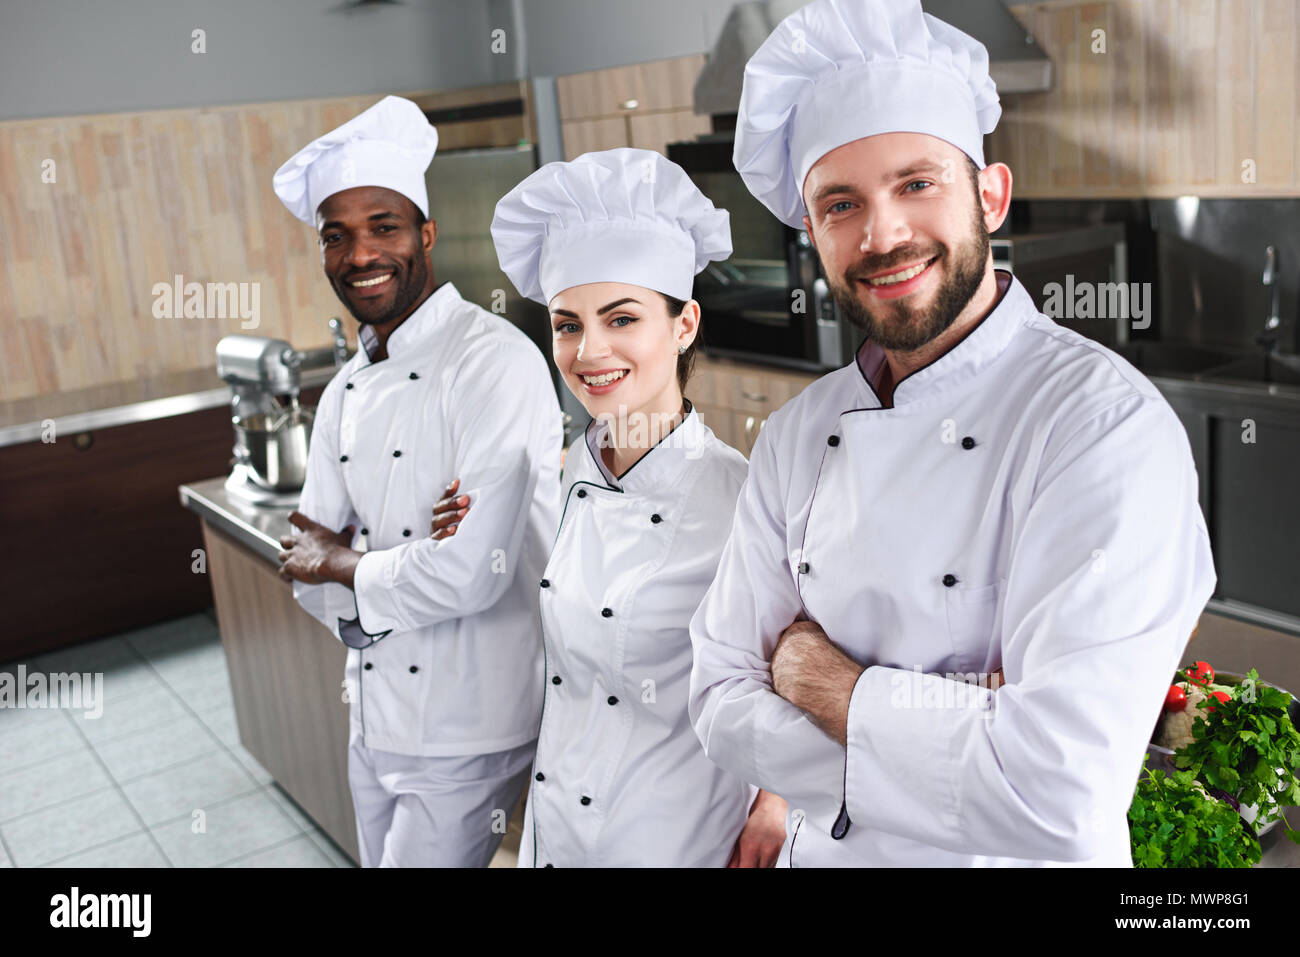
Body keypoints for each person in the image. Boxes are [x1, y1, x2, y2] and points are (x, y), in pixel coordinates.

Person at [688, 0, 1216, 866]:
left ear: (992, 195)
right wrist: (964, 719)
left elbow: (1059, 789)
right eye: (840, 204)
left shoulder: (1100, 425)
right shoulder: (795, 436)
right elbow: (717, 701)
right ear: (813, 235)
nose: (882, 233)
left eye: (917, 183)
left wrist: (821, 680)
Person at [431, 148, 787, 866]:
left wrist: (777, 804)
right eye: (567, 324)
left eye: (621, 318)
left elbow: (787, 676)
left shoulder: (741, 498)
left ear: (683, 325)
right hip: (555, 824)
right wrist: (474, 518)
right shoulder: (570, 471)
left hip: (673, 835)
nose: (589, 350)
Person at [273, 96, 564, 867]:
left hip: (471, 715)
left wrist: (349, 562)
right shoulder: (342, 390)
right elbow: (303, 565)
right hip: (371, 710)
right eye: (337, 236)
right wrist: (369, 576)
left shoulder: (493, 361)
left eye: (384, 227)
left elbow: (471, 574)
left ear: (426, 235)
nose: (359, 254)